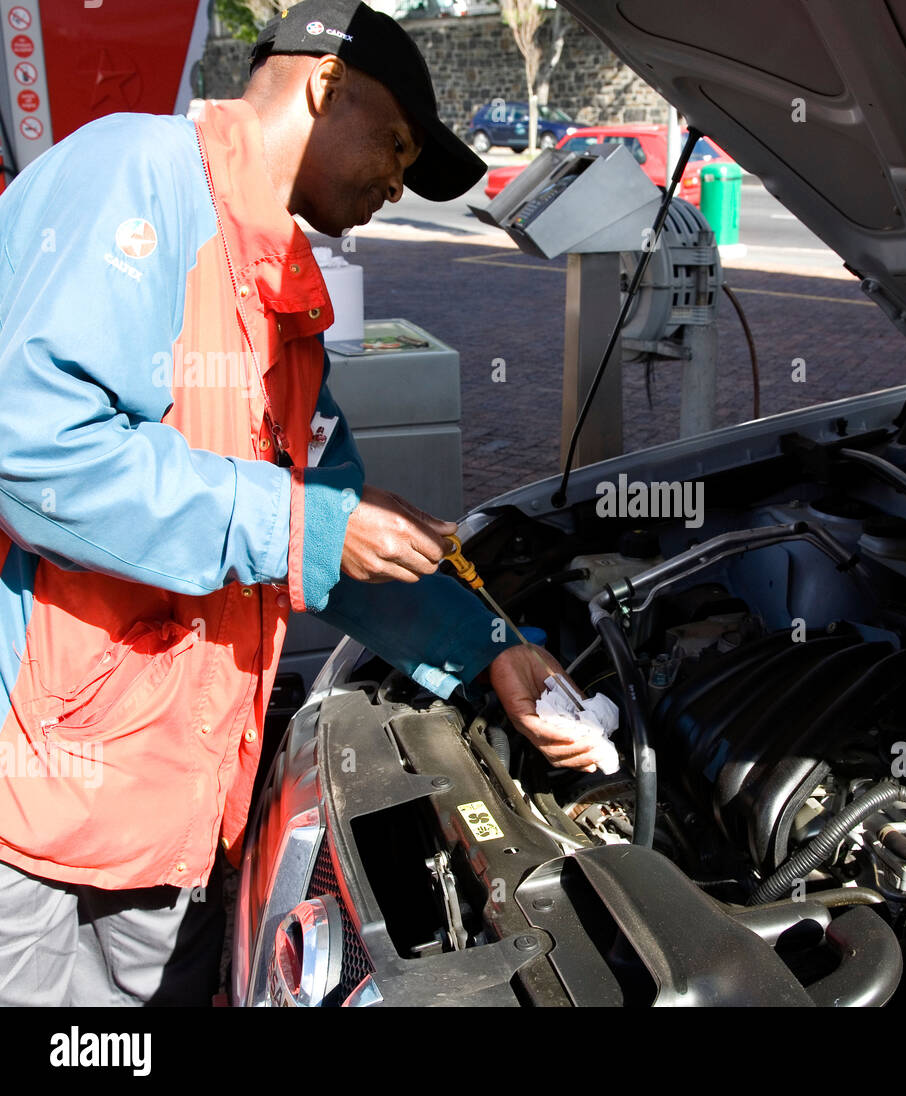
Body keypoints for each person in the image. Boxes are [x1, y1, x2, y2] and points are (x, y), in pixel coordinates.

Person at [0, 0, 602, 1007]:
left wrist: (491, 647)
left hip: (180, 818)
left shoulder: (276, 288)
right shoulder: (136, 174)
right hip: (40, 804)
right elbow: (33, 449)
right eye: (398, 144)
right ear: (323, 84)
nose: (398, 181)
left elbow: (328, 519)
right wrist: (300, 522)